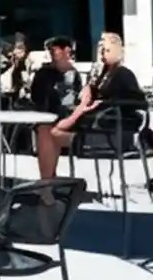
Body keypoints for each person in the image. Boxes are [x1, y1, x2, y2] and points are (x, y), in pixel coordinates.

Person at [36, 32, 145, 179]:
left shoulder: (123, 74)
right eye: (100, 50)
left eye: (106, 50)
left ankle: (48, 183)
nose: (102, 54)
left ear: (117, 51)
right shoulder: (104, 74)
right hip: (98, 125)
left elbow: (139, 102)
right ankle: (49, 181)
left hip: (111, 131)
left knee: (50, 132)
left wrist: (104, 104)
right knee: (48, 130)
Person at [31, 36, 83, 179]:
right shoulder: (43, 73)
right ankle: (48, 180)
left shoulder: (73, 74)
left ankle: (46, 183)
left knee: (46, 130)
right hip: (47, 117)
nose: (52, 54)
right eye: (50, 50)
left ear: (66, 51)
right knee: (44, 128)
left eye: (55, 50)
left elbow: (75, 100)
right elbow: (36, 97)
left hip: (68, 120)